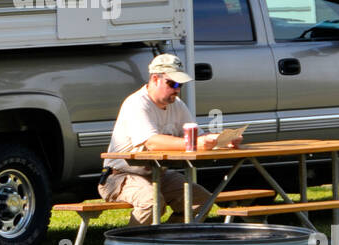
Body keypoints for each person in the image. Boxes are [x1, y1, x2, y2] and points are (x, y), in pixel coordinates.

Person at [98, 53, 242, 225]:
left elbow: (198, 136)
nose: (177, 89)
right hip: (120, 176)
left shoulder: (177, 104)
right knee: (152, 203)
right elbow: (151, 142)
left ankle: (170, 243)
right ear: (155, 79)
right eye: (172, 83)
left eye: (180, 84)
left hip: (158, 174)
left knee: (201, 201)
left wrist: (222, 140)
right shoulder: (136, 104)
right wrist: (195, 144)